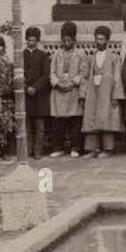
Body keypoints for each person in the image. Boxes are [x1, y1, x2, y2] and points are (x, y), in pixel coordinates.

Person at [80, 25, 124, 158]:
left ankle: (108, 149)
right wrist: (83, 94)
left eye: (102, 39)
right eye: (97, 39)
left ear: (107, 41)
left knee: (106, 118)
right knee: (91, 119)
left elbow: (117, 77)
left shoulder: (114, 58)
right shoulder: (91, 58)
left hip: (107, 92)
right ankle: (92, 149)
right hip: (93, 92)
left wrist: (116, 95)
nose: (99, 42)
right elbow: (85, 77)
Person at [48, 21, 86, 157]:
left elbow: (83, 73)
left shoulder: (80, 54)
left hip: (73, 91)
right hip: (58, 92)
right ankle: (57, 147)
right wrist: (57, 83)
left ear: (74, 40)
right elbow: (51, 72)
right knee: (58, 121)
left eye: (69, 40)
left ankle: (75, 148)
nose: (66, 43)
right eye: (64, 40)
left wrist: (72, 83)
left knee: (74, 120)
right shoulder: (57, 54)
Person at [22, 26, 51, 159]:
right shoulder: (21, 55)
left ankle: (38, 151)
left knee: (39, 126)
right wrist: (26, 87)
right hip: (26, 95)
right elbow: (18, 73)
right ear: (26, 40)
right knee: (27, 126)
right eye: (29, 40)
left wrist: (35, 87)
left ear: (38, 41)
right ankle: (27, 150)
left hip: (39, 95)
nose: (31, 42)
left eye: (34, 40)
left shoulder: (43, 55)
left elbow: (46, 75)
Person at [0, 35, 16, 155]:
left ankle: (7, 151)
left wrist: (6, 91)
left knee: (7, 125)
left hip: (7, 98)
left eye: (2, 50)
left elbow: (12, 81)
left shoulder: (9, 64)